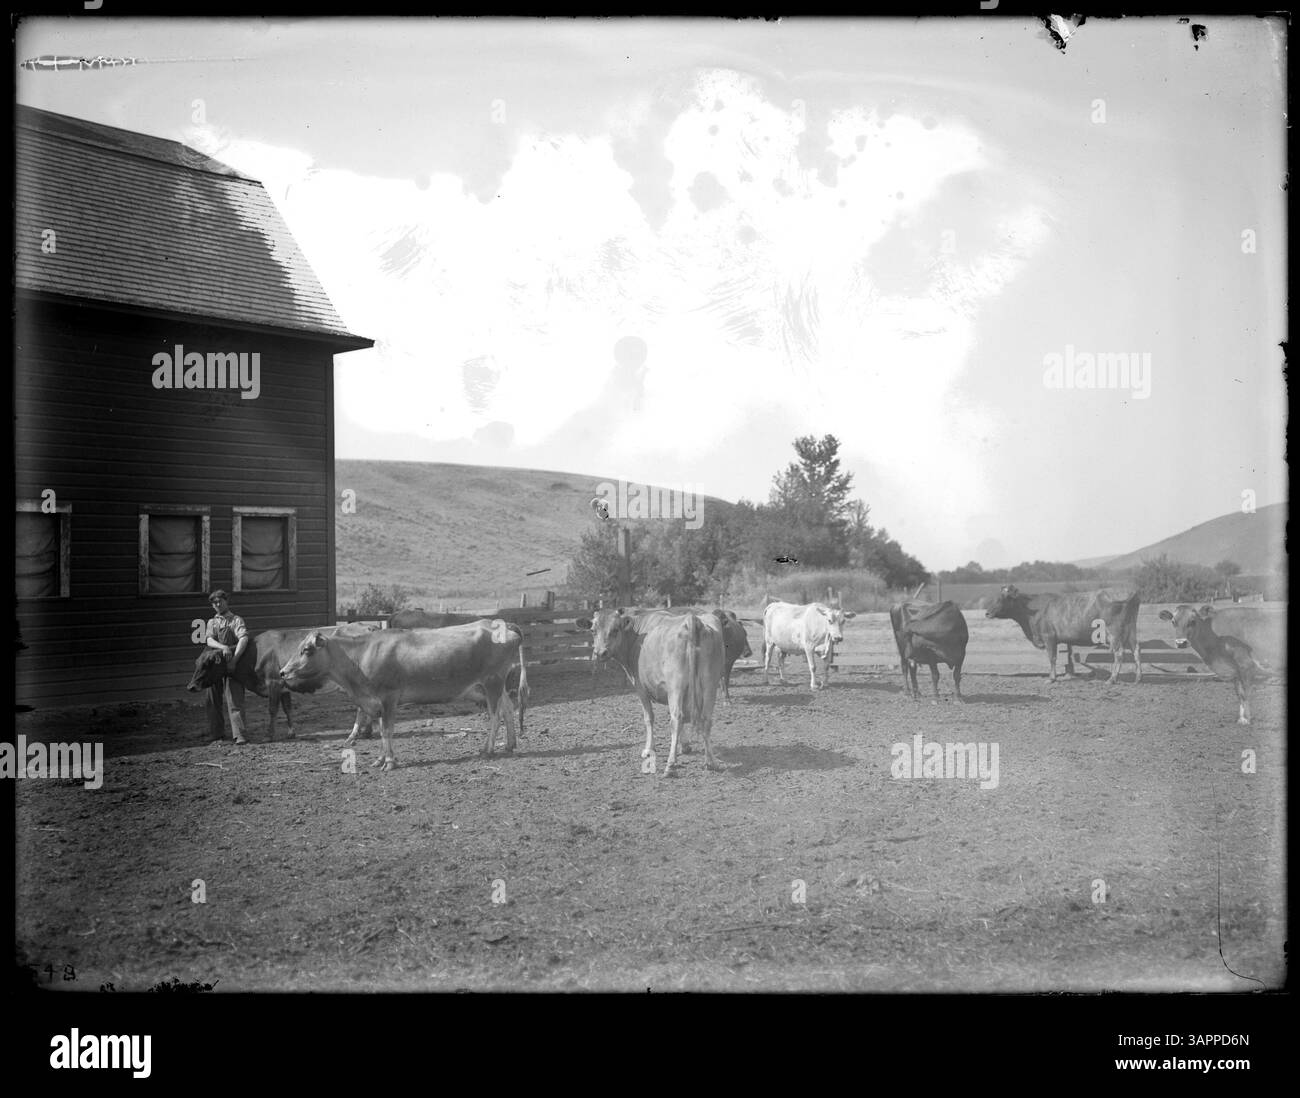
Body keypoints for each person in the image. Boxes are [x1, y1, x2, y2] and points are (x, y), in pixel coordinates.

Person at [204, 590, 250, 745]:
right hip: (215, 663)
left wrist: (234, 660)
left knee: (235, 698)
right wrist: (223, 647)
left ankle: (240, 735)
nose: (217, 605)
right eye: (214, 603)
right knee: (212, 699)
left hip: (232, 663)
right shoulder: (212, 622)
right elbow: (209, 640)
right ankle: (216, 734)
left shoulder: (236, 620)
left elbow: (243, 639)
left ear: (226, 601)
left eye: (220, 601)